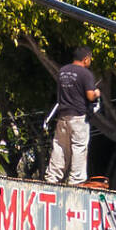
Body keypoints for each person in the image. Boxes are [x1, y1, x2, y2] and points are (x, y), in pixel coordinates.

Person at [43, 46, 99, 184]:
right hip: (78, 117)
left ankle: (52, 178)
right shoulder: (86, 74)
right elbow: (90, 96)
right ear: (86, 59)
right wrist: (97, 92)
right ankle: (76, 181)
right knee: (79, 147)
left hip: (62, 116)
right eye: (90, 59)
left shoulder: (62, 72)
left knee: (60, 147)